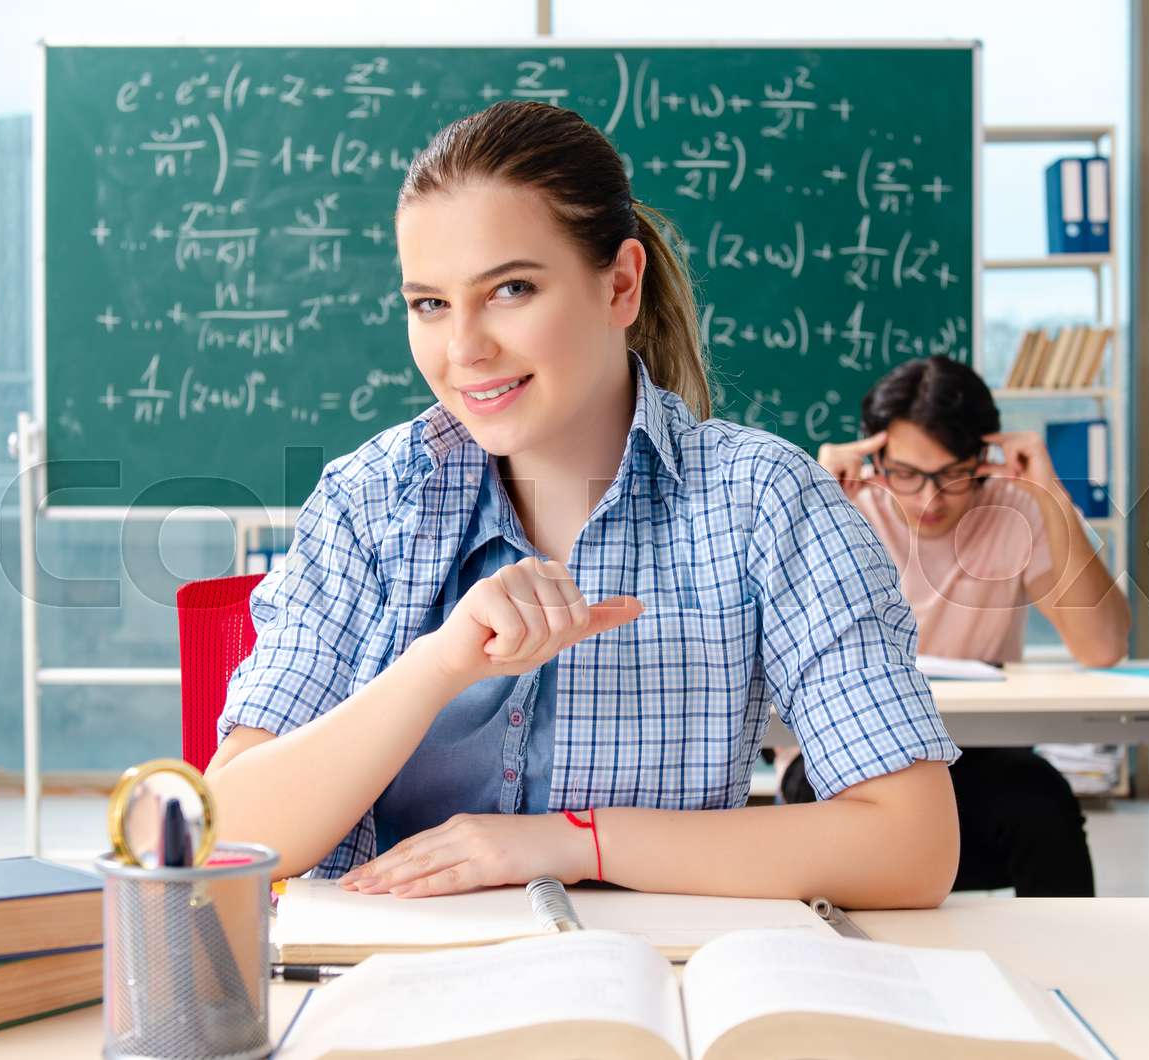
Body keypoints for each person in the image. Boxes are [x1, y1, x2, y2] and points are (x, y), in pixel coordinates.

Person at [204, 101, 960, 908]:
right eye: (429, 303)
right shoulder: (366, 501)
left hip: (632, 991)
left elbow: (910, 843)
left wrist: (573, 841)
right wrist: (438, 664)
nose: (464, 349)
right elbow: (230, 835)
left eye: (512, 289)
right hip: (381, 995)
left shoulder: (765, 500)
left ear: (620, 285)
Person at [778, 355, 1131, 896]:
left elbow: (1102, 646)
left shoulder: (1019, 508)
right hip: (845, 753)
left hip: (977, 751)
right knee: (818, 807)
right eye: (907, 474)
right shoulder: (845, 503)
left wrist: (1052, 494)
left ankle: (1065, 976)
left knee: (1043, 805)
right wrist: (817, 492)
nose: (929, 499)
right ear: (873, 454)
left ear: (984, 456)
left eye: (953, 475)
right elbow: (771, 646)